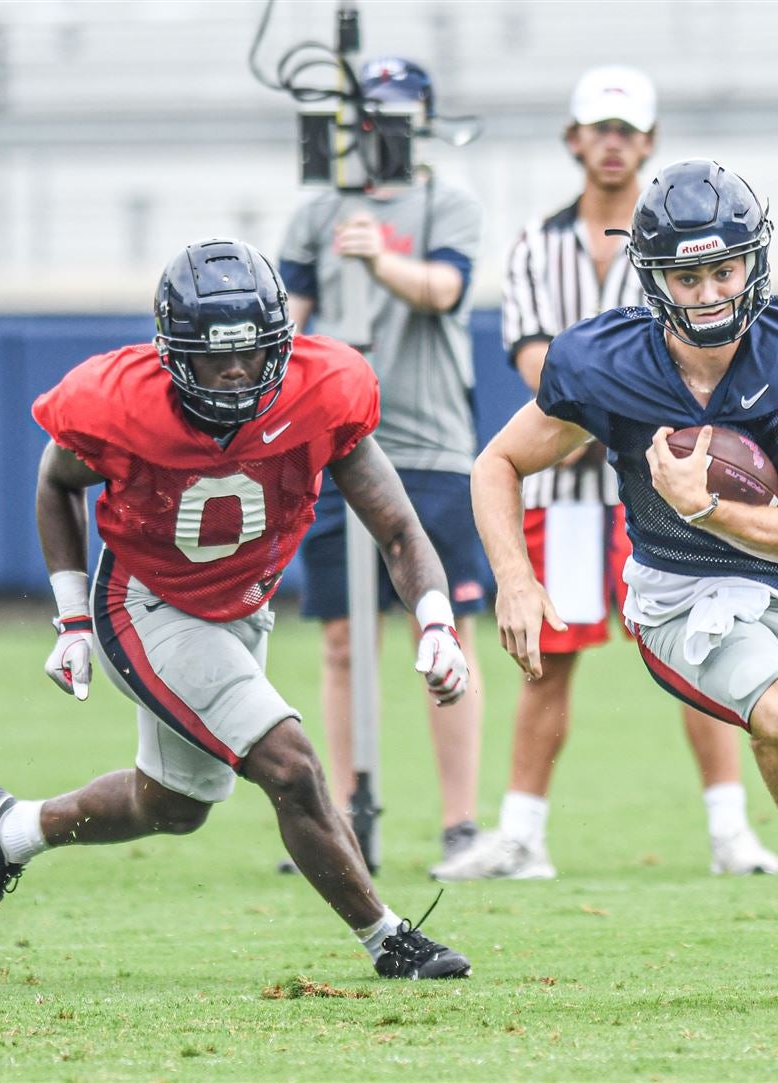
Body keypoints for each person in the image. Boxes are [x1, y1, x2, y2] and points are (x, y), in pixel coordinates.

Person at [469, 160, 778, 1000]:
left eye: (722, 269)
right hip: (680, 595)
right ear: (653, 276)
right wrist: (515, 578)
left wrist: (707, 509)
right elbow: (499, 462)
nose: (707, 291)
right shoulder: (602, 361)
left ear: (753, 262)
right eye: (686, 274)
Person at [0, 238, 472, 981]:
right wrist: (70, 620)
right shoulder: (117, 401)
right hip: (145, 603)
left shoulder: (325, 390)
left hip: (239, 610)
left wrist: (435, 620)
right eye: (211, 357)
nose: (233, 372)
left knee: (173, 804)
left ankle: (15, 829)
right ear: (172, 353)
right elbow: (56, 479)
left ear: (280, 345)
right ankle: (388, 938)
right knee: (289, 764)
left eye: (251, 354)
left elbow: (396, 526)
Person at [432, 68, 778, 883]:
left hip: (667, 480)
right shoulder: (535, 244)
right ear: (575, 139)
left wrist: (617, 412)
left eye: (628, 129)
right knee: (549, 657)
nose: (614, 143)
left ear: (649, 141)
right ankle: (522, 833)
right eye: (601, 128)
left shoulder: (687, 247)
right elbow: (533, 361)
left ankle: (730, 828)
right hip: (568, 483)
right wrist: (607, 411)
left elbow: (702, 353)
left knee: (704, 652)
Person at [279, 57, 486, 867]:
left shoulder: (449, 201)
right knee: (340, 637)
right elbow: (287, 313)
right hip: (339, 447)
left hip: (431, 443)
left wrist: (378, 261)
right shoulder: (319, 207)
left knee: (445, 634)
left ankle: (461, 823)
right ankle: (345, 818)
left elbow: (446, 288)